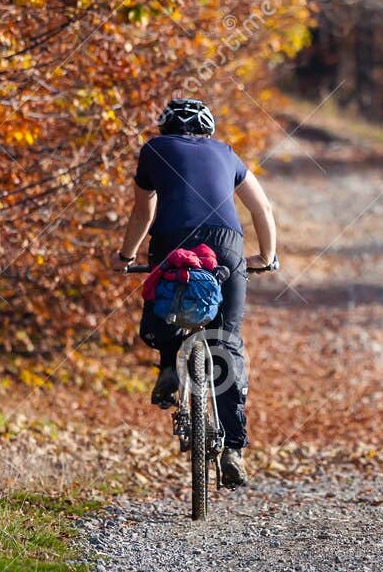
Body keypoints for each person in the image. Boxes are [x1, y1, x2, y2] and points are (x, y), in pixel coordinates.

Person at [111, 98, 277, 489]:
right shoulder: (227, 153)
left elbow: (142, 214)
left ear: (166, 128)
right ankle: (234, 449)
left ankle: (169, 366)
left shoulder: (154, 150)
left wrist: (125, 256)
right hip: (226, 247)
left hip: (172, 242)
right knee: (227, 341)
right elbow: (262, 209)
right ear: (208, 130)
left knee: (164, 305)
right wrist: (266, 257)